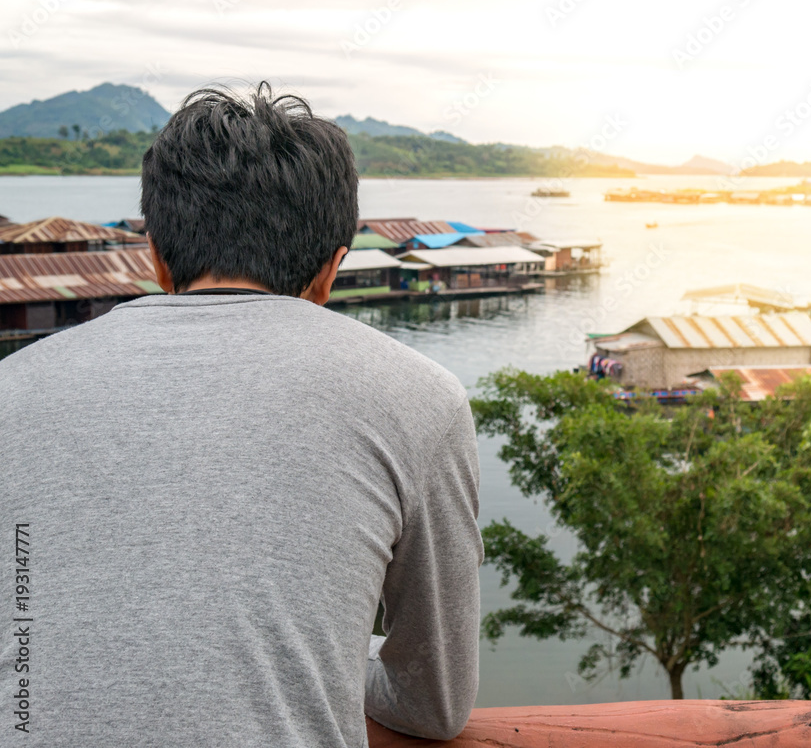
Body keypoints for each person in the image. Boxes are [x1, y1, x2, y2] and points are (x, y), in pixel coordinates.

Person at [0, 83, 483, 747]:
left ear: (157, 259)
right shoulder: (423, 398)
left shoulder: (13, 386)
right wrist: (327, 649)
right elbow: (436, 699)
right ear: (332, 269)